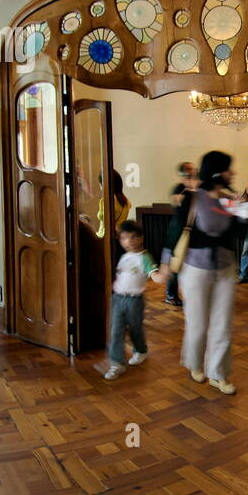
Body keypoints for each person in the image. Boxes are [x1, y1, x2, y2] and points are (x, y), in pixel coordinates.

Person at [173, 150, 244, 395]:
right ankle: (194, 364)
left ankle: (218, 374)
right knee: (198, 324)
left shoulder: (228, 200)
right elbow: (175, 232)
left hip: (225, 268)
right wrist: (163, 267)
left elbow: (236, 233)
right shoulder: (193, 199)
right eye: (227, 168)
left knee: (222, 324)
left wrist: (242, 214)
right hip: (195, 269)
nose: (231, 173)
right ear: (216, 172)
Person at [102, 219, 151, 380]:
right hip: (118, 298)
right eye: (123, 238)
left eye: (132, 237)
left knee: (135, 328)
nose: (128, 242)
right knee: (116, 330)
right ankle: (117, 363)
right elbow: (121, 275)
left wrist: (161, 276)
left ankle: (141, 350)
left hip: (135, 301)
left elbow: (153, 272)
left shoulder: (144, 257)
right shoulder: (124, 257)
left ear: (140, 238)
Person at [160, 161, 196, 306]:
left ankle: (184, 293)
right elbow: (176, 202)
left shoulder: (192, 188)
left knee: (185, 264)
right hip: (178, 229)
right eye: (188, 169)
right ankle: (171, 294)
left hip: (189, 229)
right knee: (175, 263)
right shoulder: (180, 188)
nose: (192, 171)